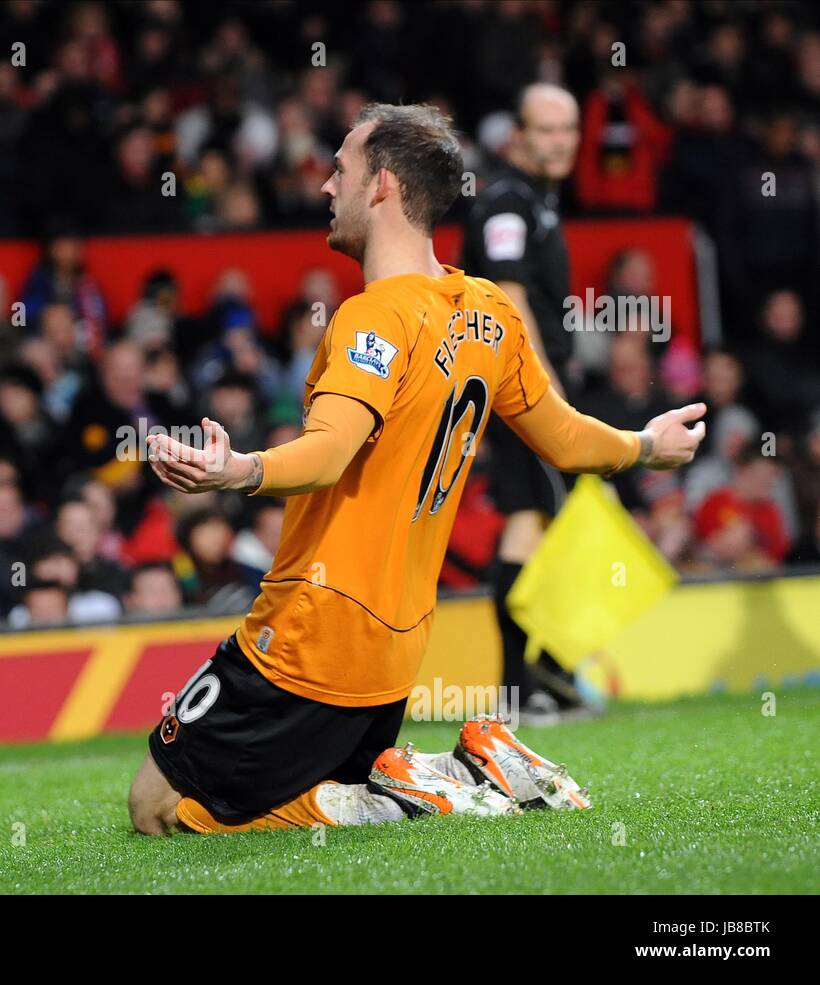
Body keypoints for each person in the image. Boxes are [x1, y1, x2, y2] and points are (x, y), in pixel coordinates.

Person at [127, 103, 705, 836]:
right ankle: (446, 772)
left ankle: (410, 790)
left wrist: (241, 470)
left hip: (312, 630)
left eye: (341, 168)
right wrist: (646, 444)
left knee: (156, 809)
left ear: (383, 186)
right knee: (302, 788)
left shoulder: (374, 318)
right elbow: (565, 439)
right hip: (398, 647)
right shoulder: (487, 312)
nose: (326, 186)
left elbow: (329, 450)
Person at [460, 83, 585, 722]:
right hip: (522, 389)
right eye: (547, 129)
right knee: (530, 523)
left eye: (570, 129)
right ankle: (524, 688)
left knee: (535, 524)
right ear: (519, 135)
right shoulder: (508, 201)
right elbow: (510, 298)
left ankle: (537, 683)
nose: (560, 141)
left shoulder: (536, 200)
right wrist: (548, 398)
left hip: (521, 386)